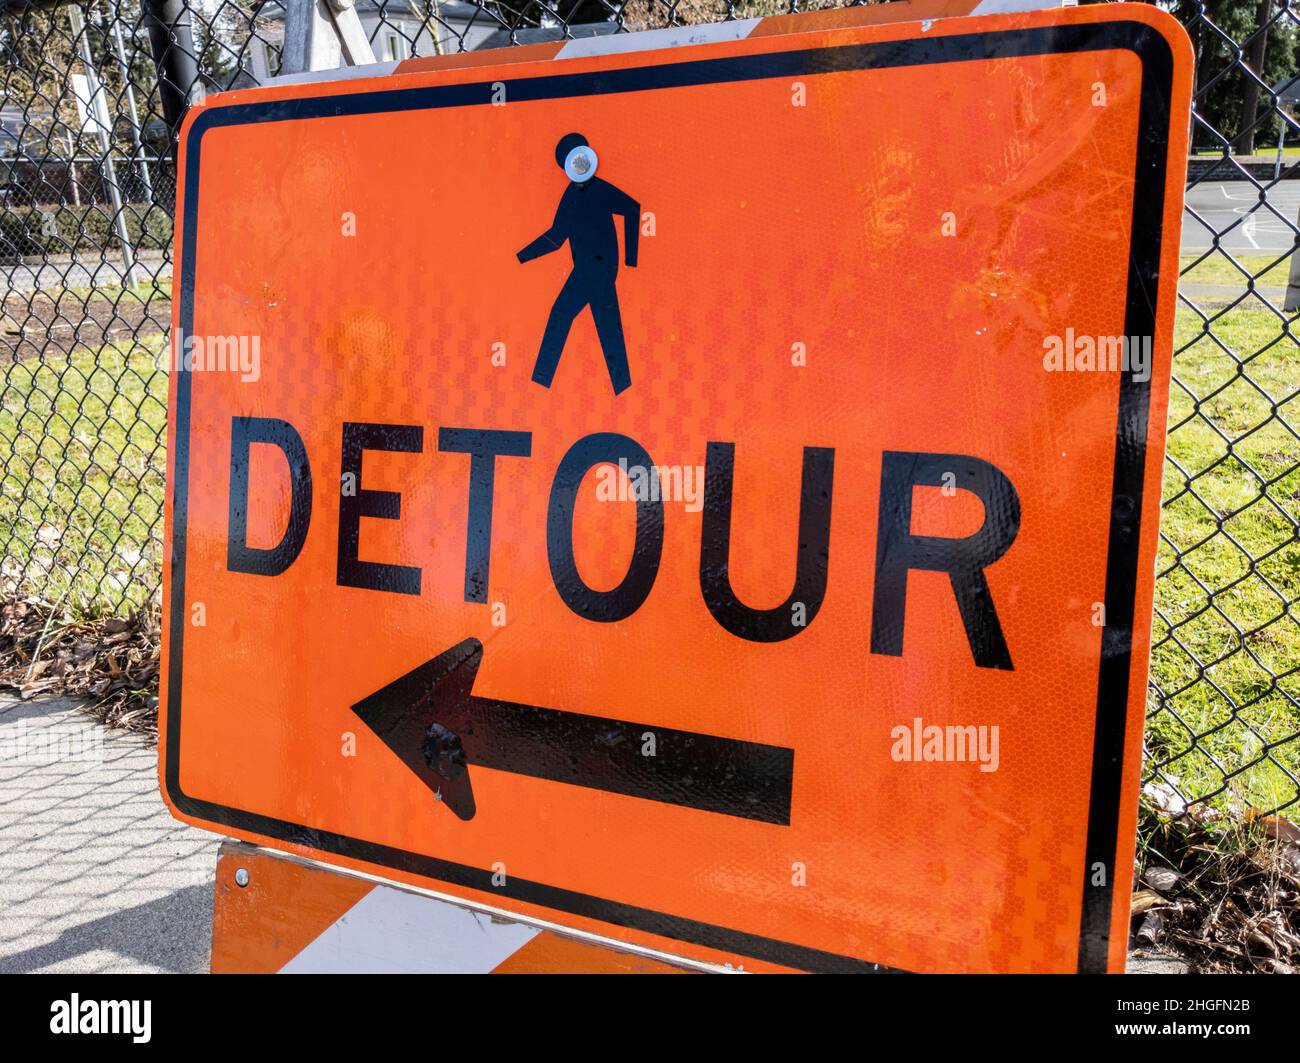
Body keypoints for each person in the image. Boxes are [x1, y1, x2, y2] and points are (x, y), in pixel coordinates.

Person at [517, 132, 640, 395]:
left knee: (561, 313)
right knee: (608, 325)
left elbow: (632, 208)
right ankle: (623, 386)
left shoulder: (600, 189)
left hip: (595, 269)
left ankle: (540, 381)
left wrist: (631, 258)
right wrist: (523, 256)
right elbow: (556, 237)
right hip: (592, 268)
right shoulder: (570, 197)